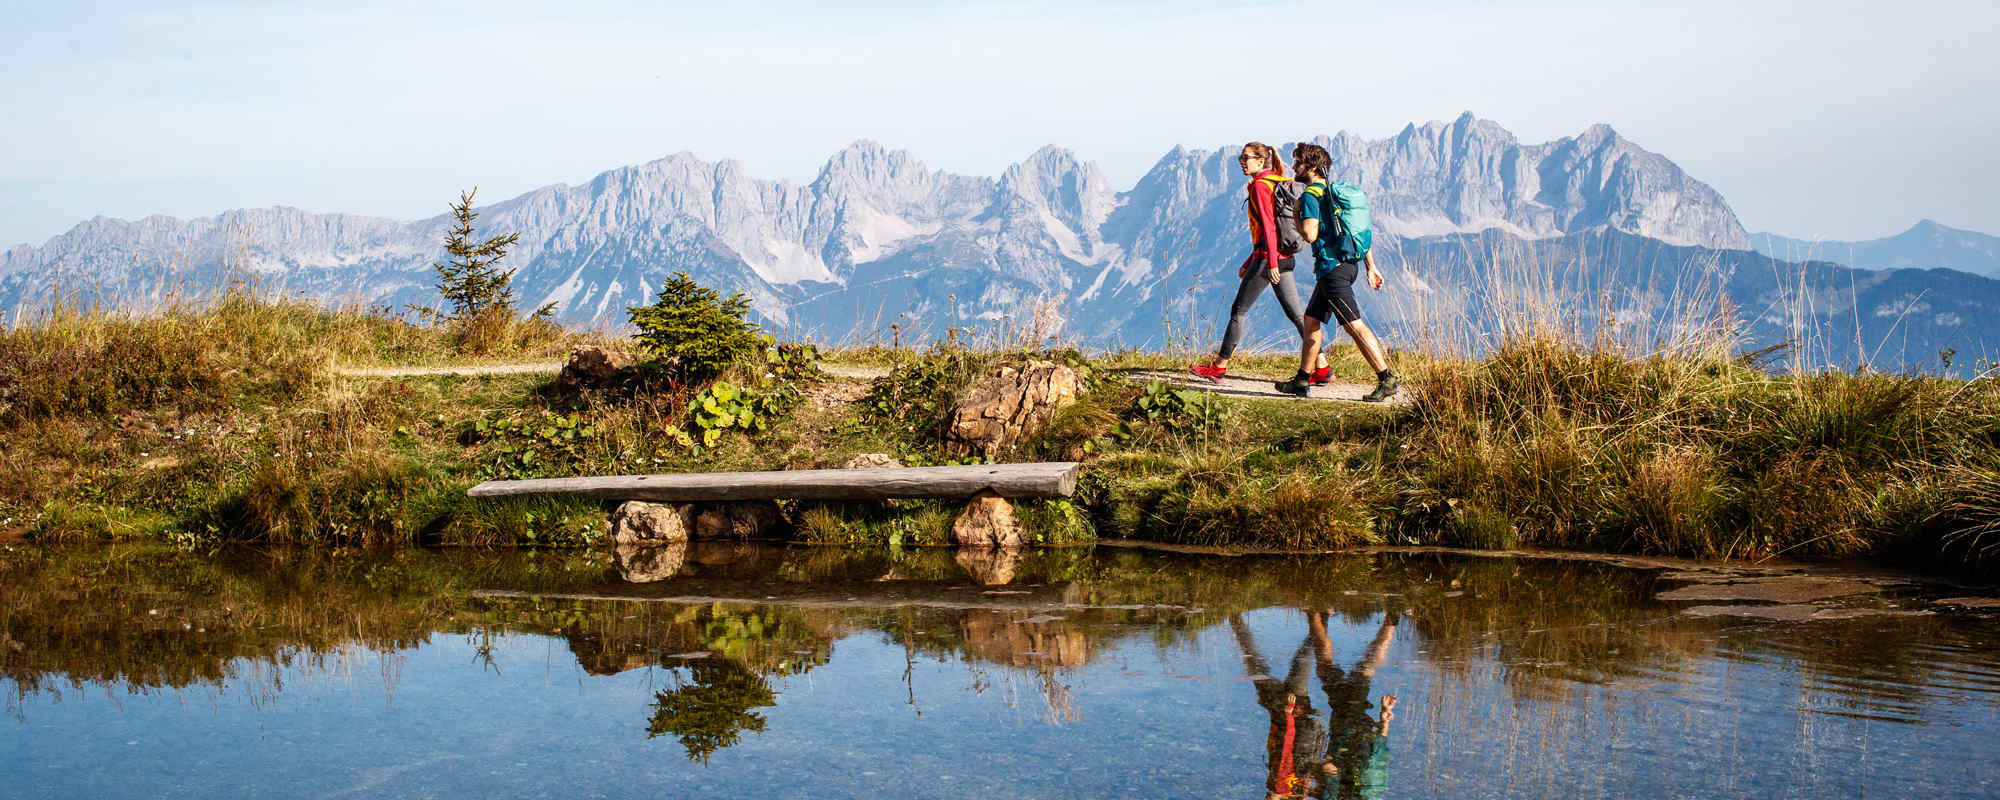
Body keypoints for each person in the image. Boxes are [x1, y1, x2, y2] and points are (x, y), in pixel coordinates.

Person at [1190, 142, 1328, 383]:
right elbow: (1268, 232)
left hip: (1269, 261)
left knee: (1239, 311)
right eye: (1241, 158)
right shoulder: (1276, 181)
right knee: (1297, 315)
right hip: (1284, 258)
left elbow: (1269, 226)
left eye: (1247, 158)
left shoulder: (1260, 186)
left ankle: (1219, 367)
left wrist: (1270, 262)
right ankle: (1322, 366)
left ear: (1261, 161)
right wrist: (1250, 260)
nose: (1242, 162)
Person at [1274, 144, 1397, 402]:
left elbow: (1310, 234)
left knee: (1354, 325)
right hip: (1346, 266)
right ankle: (1302, 380)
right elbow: (1355, 231)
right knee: (1311, 320)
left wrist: (1295, 215)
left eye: (1298, 163)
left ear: (1312, 167)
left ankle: (1386, 379)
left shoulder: (1310, 196)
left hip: (1332, 271)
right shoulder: (1330, 193)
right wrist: (1370, 266)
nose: (1293, 167)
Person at [1307, 610, 1400, 800]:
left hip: (1361, 720)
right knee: (1325, 667)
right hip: (1343, 717)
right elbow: (1329, 767)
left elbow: (1380, 750)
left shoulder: (1372, 794)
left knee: (1367, 667)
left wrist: (1384, 716)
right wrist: (1313, 778)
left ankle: (1393, 618)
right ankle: (1312, 610)